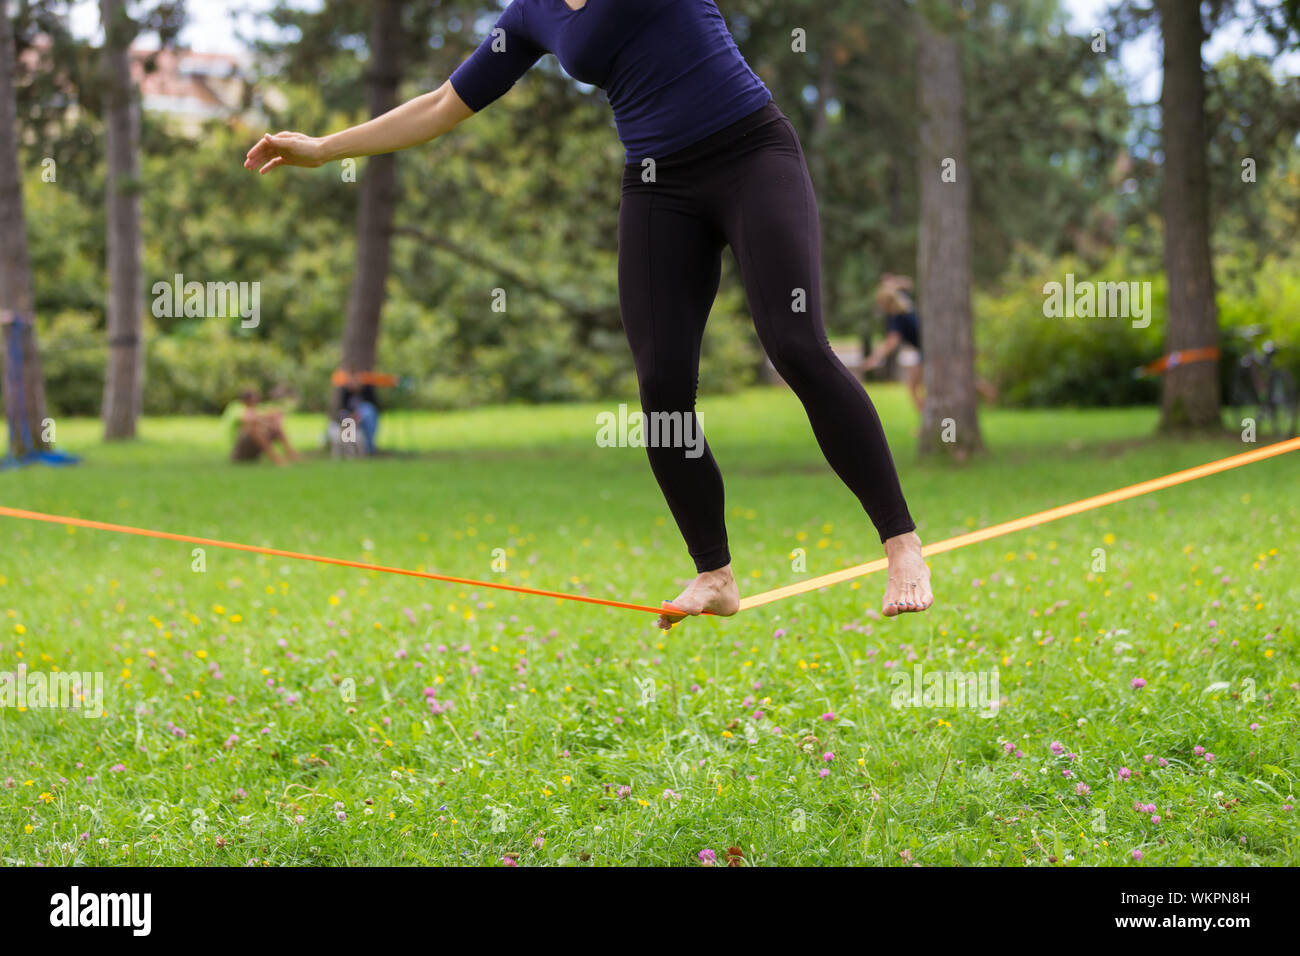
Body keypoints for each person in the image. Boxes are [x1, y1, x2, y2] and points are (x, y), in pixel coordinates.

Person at [243, 0, 933, 625]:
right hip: (658, 185)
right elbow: (441, 103)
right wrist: (325, 147)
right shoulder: (532, 15)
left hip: (751, 153)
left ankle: (902, 547)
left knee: (797, 347)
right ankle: (714, 574)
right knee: (661, 386)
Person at [864, 274, 996, 411]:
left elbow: (892, 342)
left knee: (914, 387)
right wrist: (893, 283)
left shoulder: (896, 318)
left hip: (928, 350)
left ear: (885, 303)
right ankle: (988, 392)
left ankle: (927, 421)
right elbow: (908, 283)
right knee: (950, 377)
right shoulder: (906, 306)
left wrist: (875, 358)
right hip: (932, 348)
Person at [222, 388, 299, 465]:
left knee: (275, 428)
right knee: (251, 429)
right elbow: (249, 418)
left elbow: (275, 415)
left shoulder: (256, 408)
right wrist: (266, 418)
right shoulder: (237, 407)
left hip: (254, 450)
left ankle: (291, 454)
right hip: (239, 451)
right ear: (247, 399)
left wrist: (272, 421)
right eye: (255, 398)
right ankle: (276, 458)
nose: (258, 400)